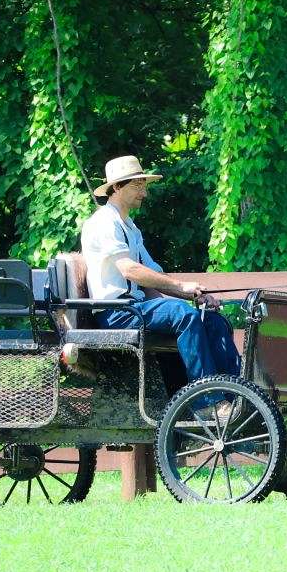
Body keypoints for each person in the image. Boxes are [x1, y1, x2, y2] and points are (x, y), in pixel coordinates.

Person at [80, 154, 239, 418]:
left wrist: (195, 295)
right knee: (183, 315)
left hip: (137, 307)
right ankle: (207, 402)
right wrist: (180, 289)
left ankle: (238, 397)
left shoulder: (130, 227)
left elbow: (153, 275)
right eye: (138, 185)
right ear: (117, 187)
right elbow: (130, 270)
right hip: (116, 313)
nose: (145, 192)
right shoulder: (103, 223)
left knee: (213, 321)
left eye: (145, 185)